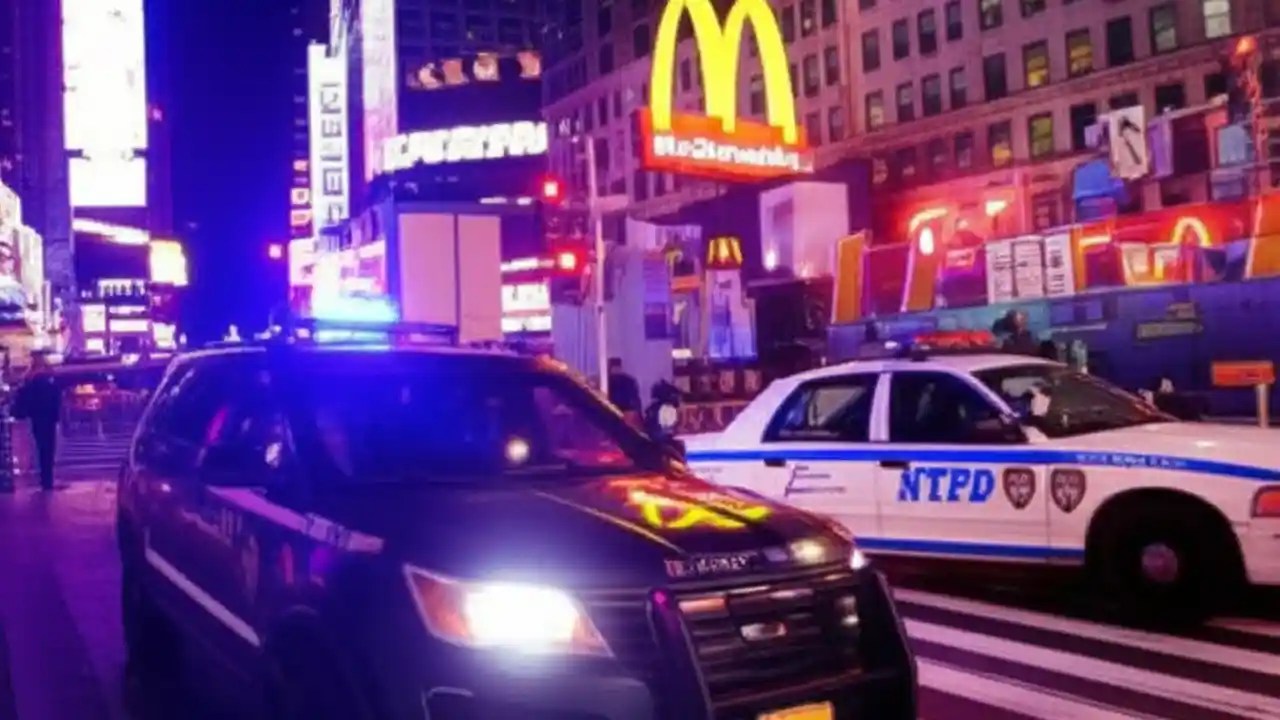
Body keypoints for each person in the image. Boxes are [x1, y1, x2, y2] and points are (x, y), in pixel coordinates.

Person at [12, 361, 63, 490]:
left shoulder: (30, 386)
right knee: (49, 449)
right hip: (49, 420)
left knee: (40, 448)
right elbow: (57, 402)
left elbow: (22, 401)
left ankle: (42, 478)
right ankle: (47, 479)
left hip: (36, 419)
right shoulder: (51, 386)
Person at [607, 357, 643, 427]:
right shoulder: (630, 380)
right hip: (628, 413)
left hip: (616, 413)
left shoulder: (608, 381)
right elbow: (636, 399)